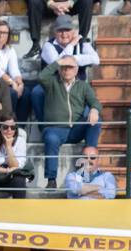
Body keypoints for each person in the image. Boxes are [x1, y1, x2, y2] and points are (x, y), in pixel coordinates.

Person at [36, 56, 101, 190]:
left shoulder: (83, 86)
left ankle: (88, 163)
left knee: (97, 121)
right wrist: (59, 61)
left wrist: (94, 109)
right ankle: (51, 180)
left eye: (70, 67)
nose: (67, 70)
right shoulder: (51, 83)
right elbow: (42, 76)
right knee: (51, 138)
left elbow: (95, 101)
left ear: (76, 70)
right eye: (64, 67)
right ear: (59, 69)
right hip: (55, 129)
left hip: (75, 129)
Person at [25, 0, 93, 61]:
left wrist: (70, 2)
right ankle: (35, 46)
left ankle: (82, 42)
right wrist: (51, 3)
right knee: (34, 1)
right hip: (48, 5)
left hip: (70, 6)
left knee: (87, 1)